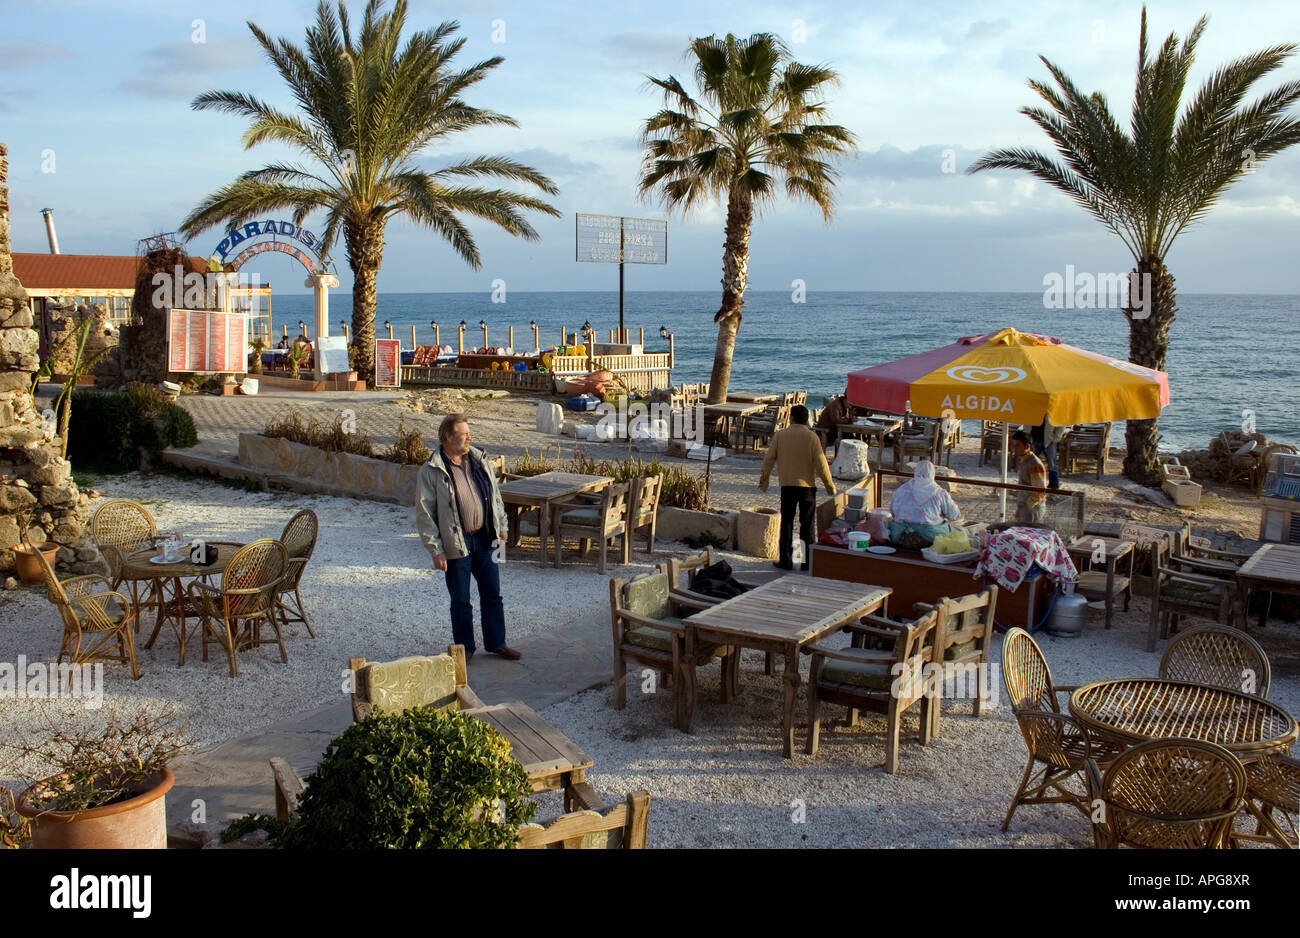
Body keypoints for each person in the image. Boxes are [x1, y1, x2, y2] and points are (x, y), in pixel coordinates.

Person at [415, 414, 519, 660]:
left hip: (485, 539)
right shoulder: (431, 469)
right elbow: (424, 512)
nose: (469, 437)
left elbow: (495, 496)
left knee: (493, 594)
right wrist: (435, 550)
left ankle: (497, 643)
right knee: (461, 601)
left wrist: (501, 525)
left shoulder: (479, 459)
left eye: (469, 433)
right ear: (448, 437)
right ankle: (465, 651)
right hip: (456, 543)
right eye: (464, 434)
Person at [759, 404, 836, 570]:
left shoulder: (781, 435)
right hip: (807, 486)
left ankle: (786, 561)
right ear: (806, 419)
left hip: (787, 485)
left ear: (791, 418)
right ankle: (804, 561)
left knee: (786, 523)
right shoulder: (812, 437)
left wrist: (764, 479)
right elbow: (822, 464)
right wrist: (830, 486)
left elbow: (769, 459)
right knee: (806, 525)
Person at [888, 459, 962, 547]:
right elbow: (954, 515)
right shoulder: (940, 493)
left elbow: (893, 512)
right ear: (932, 474)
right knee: (959, 532)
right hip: (929, 539)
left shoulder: (901, 490)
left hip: (900, 537)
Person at [1011, 429, 1048, 523]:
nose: (1014, 448)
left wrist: (1027, 506)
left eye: (1017, 446)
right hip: (1025, 505)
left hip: (1032, 507)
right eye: (1014, 445)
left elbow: (1040, 490)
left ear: (1027, 446)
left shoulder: (1034, 464)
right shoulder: (1024, 460)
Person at [1031, 416, 1066, 490]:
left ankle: (1053, 484)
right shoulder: (1037, 407)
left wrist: (1056, 438)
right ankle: (1030, 482)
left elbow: (1062, 422)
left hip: (1049, 439)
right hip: (1036, 437)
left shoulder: (1054, 408)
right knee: (1031, 462)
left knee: (1051, 463)